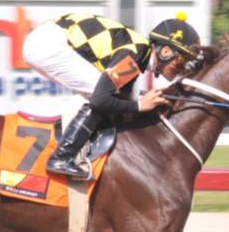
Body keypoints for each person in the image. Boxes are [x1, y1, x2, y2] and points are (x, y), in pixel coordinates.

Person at [22, 11, 202, 180]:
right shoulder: (135, 55)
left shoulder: (139, 55)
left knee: (112, 96)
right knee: (101, 94)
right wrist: (140, 105)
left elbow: (121, 101)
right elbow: (101, 100)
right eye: (182, 60)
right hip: (48, 44)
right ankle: (61, 157)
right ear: (166, 52)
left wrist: (135, 103)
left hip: (49, 40)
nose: (183, 68)